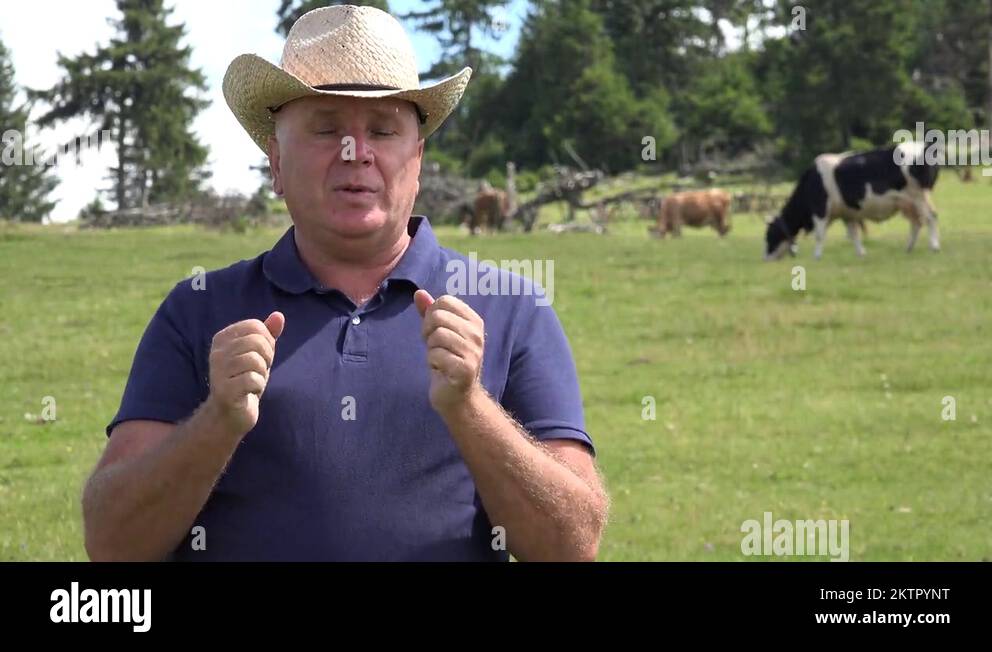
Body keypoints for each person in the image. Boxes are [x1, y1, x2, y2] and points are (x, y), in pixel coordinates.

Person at [83, 5, 608, 561]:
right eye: (326, 129)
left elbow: (572, 545)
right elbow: (113, 545)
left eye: (383, 130)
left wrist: (470, 408)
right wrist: (217, 421)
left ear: (419, 159)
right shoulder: (198, 309)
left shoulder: (512, 308)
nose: (356, 153)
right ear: (276, 164)